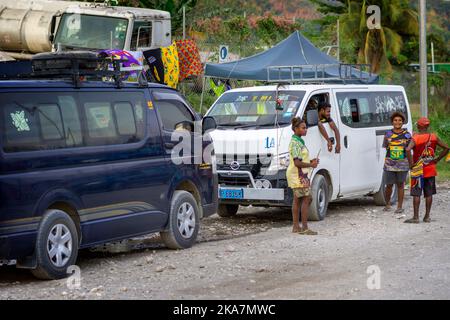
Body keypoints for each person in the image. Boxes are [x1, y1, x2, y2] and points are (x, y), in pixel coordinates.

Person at [405, 117, 449, 223]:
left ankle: (416, 217)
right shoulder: (433, 137)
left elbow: (407, 149)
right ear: (427, 126)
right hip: (430, 169)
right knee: (428, 194)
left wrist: (411, 164)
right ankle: (427, 216)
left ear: (418, 126)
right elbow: (447, 148)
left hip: (417, 169)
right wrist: (437, 159)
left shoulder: (415, 138)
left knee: (416, 193)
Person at [286, 117, 320, 235]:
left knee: (299, 200)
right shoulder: (296, 143)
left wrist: (311, 161)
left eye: (306, 127)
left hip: (299, 174)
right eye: (303, 128)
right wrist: (311, 164)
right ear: (296, 129)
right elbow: (297, 162)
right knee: (305, 199)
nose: (306, 130)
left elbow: (300, 159)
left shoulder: (298, 141)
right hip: (299, 175)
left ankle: (296, 227)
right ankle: (304, 227)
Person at [382, 112, 412, 214]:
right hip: (389, 164)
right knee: (389, 185)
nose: (397, 122)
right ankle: (387, 204)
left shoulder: (407, 135)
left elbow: (409, 149)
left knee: (400, 185)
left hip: (403, 164)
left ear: (403, 122)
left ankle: (399, 207)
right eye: (395, 120)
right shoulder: (388, 134)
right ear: (392, 122)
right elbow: (386, 147)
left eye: (399, 120)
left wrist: (411, 163)